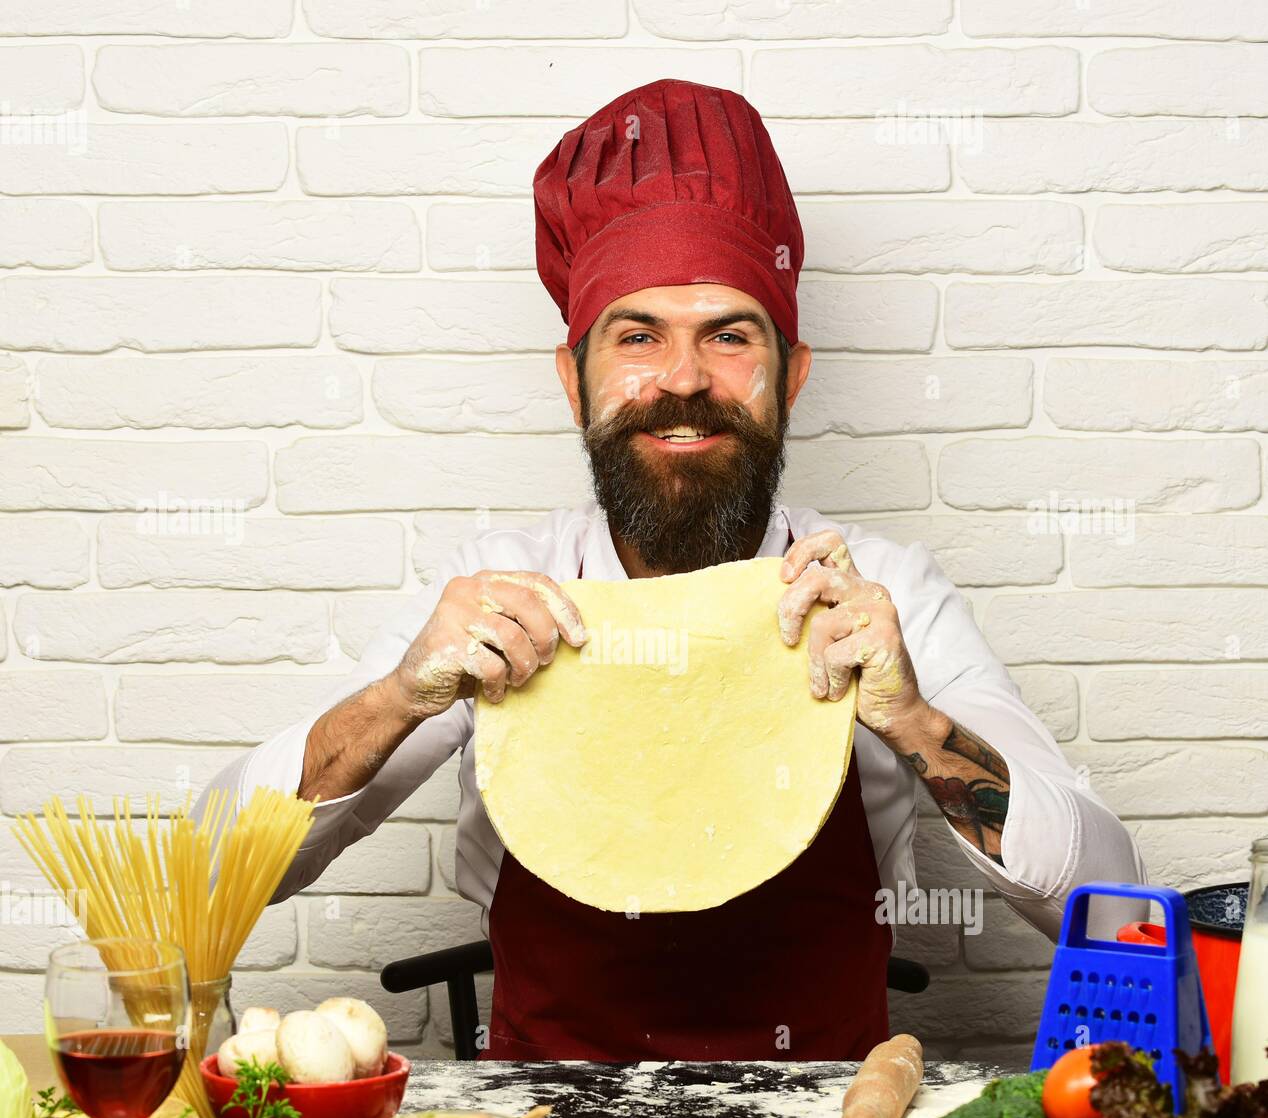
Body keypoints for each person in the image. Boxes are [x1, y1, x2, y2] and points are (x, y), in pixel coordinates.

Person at [196, 80, 1146, 1061]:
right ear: (572, 381)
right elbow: (212, 874)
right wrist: (397, 697)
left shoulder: (880, 594)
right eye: (637, 335)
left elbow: (1114, 910)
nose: (684, 378)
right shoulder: (502, 585)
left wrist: (912, 721)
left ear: (792, 375)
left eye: (729, 336)